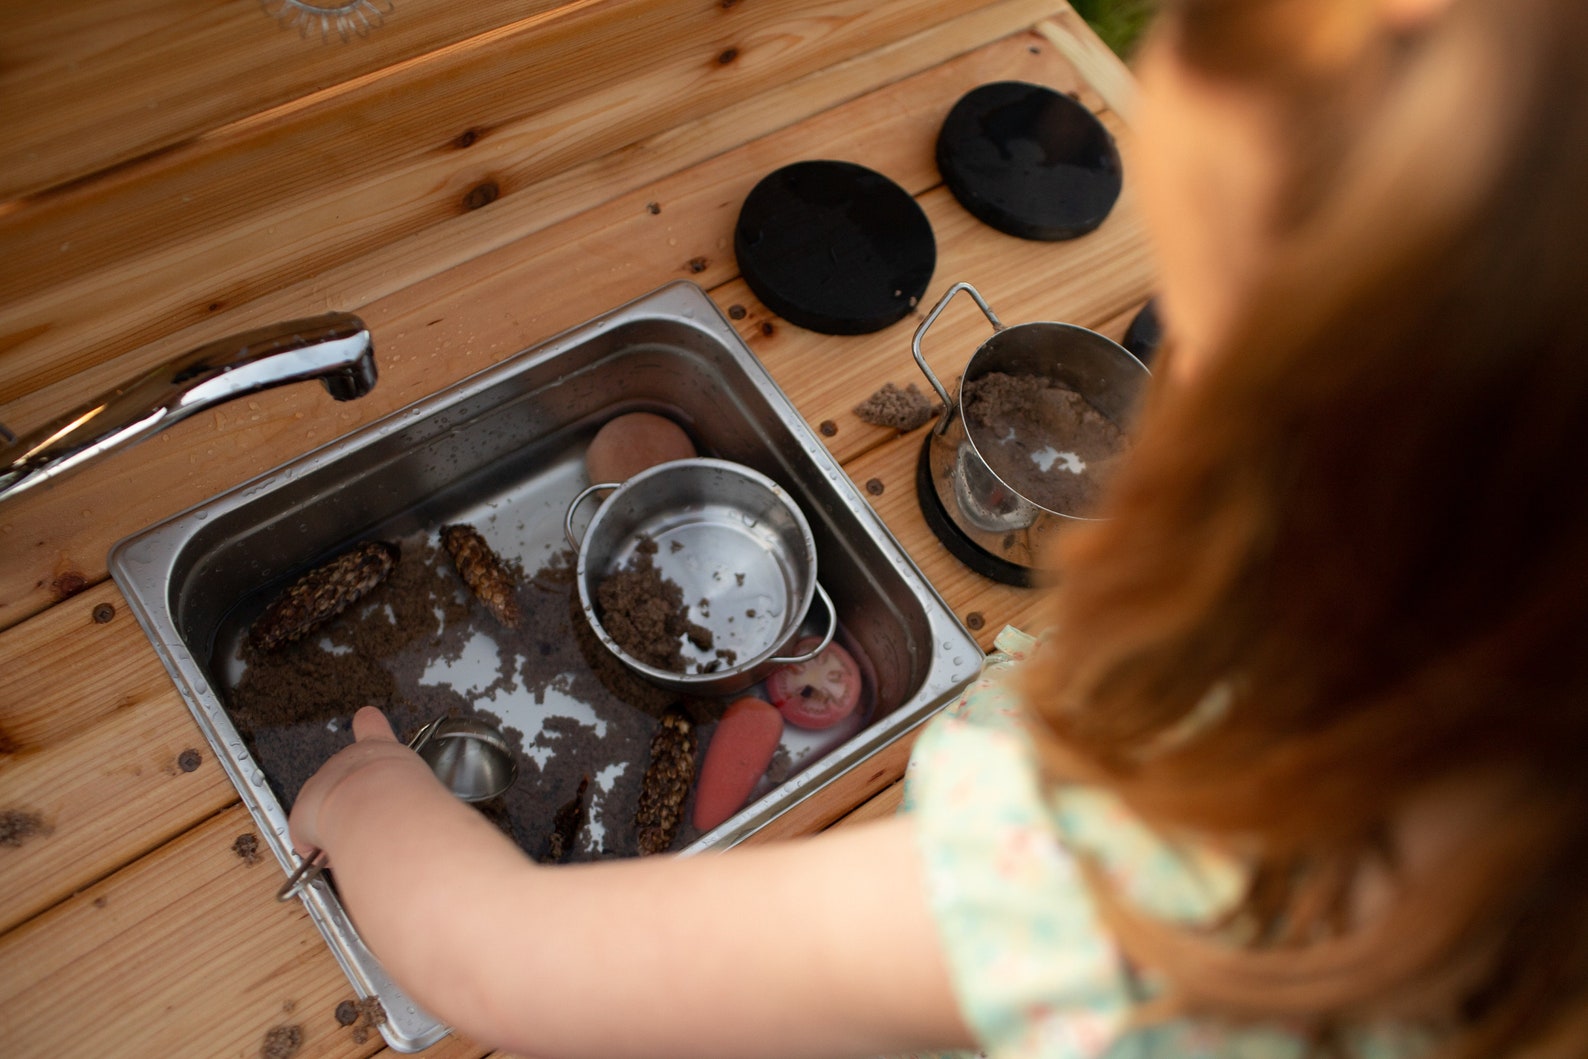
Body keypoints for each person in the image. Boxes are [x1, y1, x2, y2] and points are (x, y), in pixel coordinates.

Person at [289, 0, 1588, 1055]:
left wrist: (369, 801)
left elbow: (507, 964)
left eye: (1213, 339)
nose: (1175, 383)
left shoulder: (1161, 885)